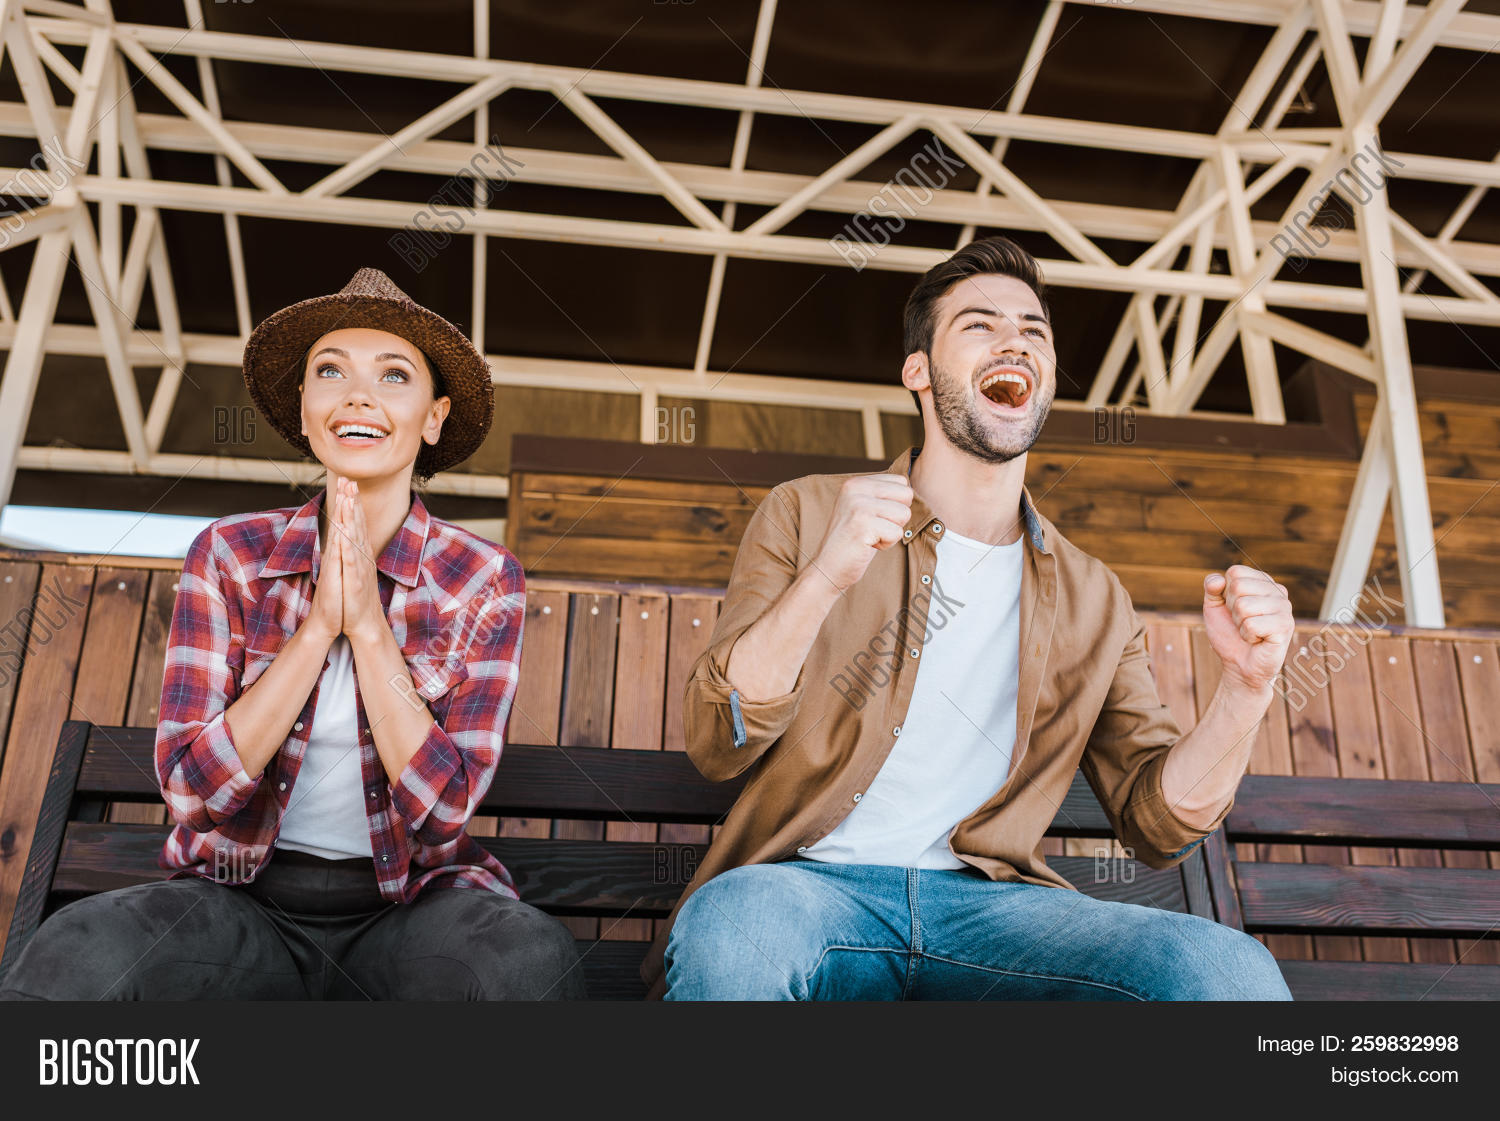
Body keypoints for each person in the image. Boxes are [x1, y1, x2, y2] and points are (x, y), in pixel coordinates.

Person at [648, 236, 1295, 1001]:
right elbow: (717, 737)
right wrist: (825, 576)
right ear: (917, 371)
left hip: (996, 914)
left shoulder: (1096, 596)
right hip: (809, 894)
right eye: (980, 325)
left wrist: (1249, 689)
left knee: (1228, 971)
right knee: (733, 929)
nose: (1014, 339)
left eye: (1033, 330)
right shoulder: (808, 510)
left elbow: (1157, 824)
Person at [1, 268, 584, 1001]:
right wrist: (316, 631)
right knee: (77, 955)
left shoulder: (483, 576)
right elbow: (190, 792)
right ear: (306, 413)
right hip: (239, 902)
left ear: (433, 418)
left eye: (394, 374)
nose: (357, 395)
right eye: (329, 371)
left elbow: (443, 810)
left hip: (408, 910)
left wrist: (369, 629)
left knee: (528, 962)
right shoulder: (229, 554)